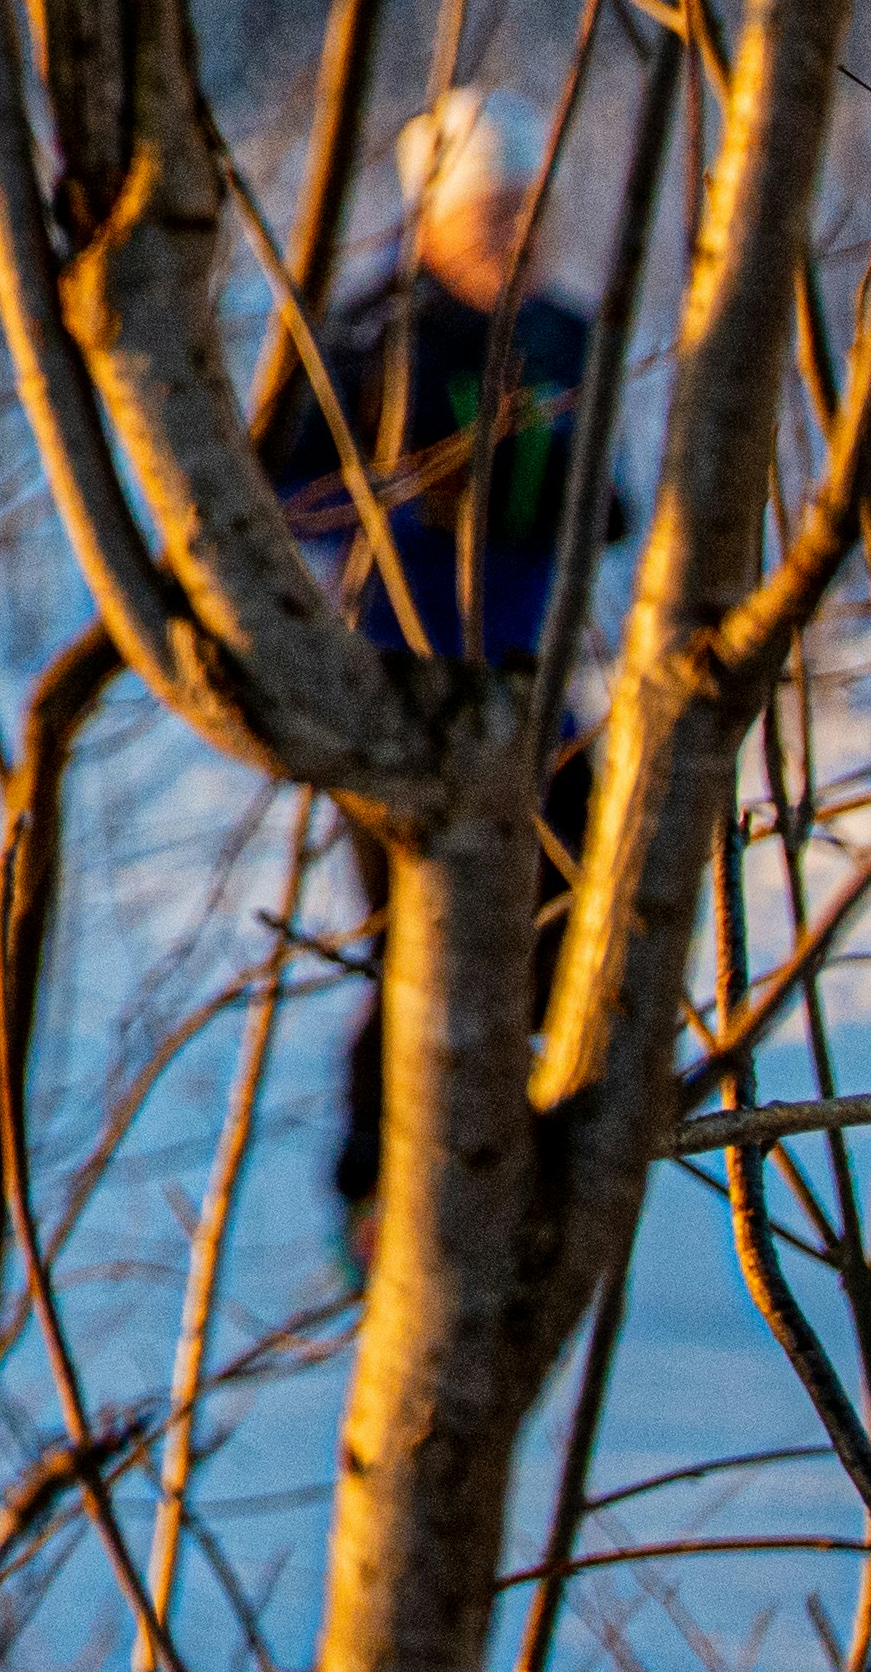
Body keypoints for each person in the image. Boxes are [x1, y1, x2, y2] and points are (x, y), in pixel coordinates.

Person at [257, 96, 623, 1214]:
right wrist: (406, 501)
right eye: (491, 213)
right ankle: (374, 1192)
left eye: (529, 211)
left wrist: (578, 504)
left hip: (533, 679)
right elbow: (277, 493)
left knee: (569, 910)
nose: (515, 233)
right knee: (414, 943)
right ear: (431, 220)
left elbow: (607, 495)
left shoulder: (566, 332)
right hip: (398, 682)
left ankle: (504, 1159)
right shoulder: (375, 331)